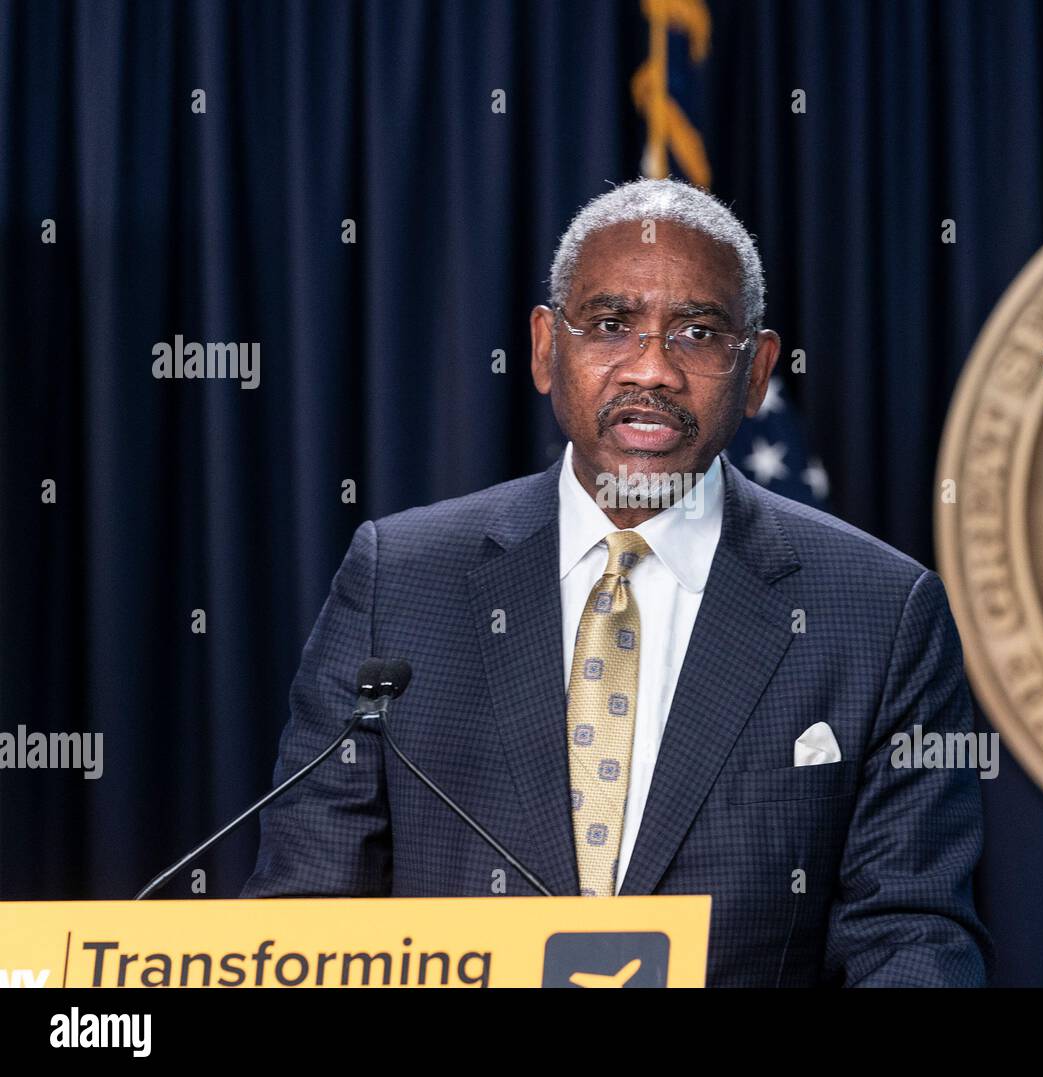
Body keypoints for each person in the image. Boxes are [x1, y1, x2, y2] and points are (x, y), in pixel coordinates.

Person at [243, 178, 992, 987]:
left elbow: (910, 940)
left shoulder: (881, 611)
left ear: (755, 370)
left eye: (698, 334)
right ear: (543, 347)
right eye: (610, 325)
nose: (653, 369)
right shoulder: (401, 578)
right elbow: (308, 912)